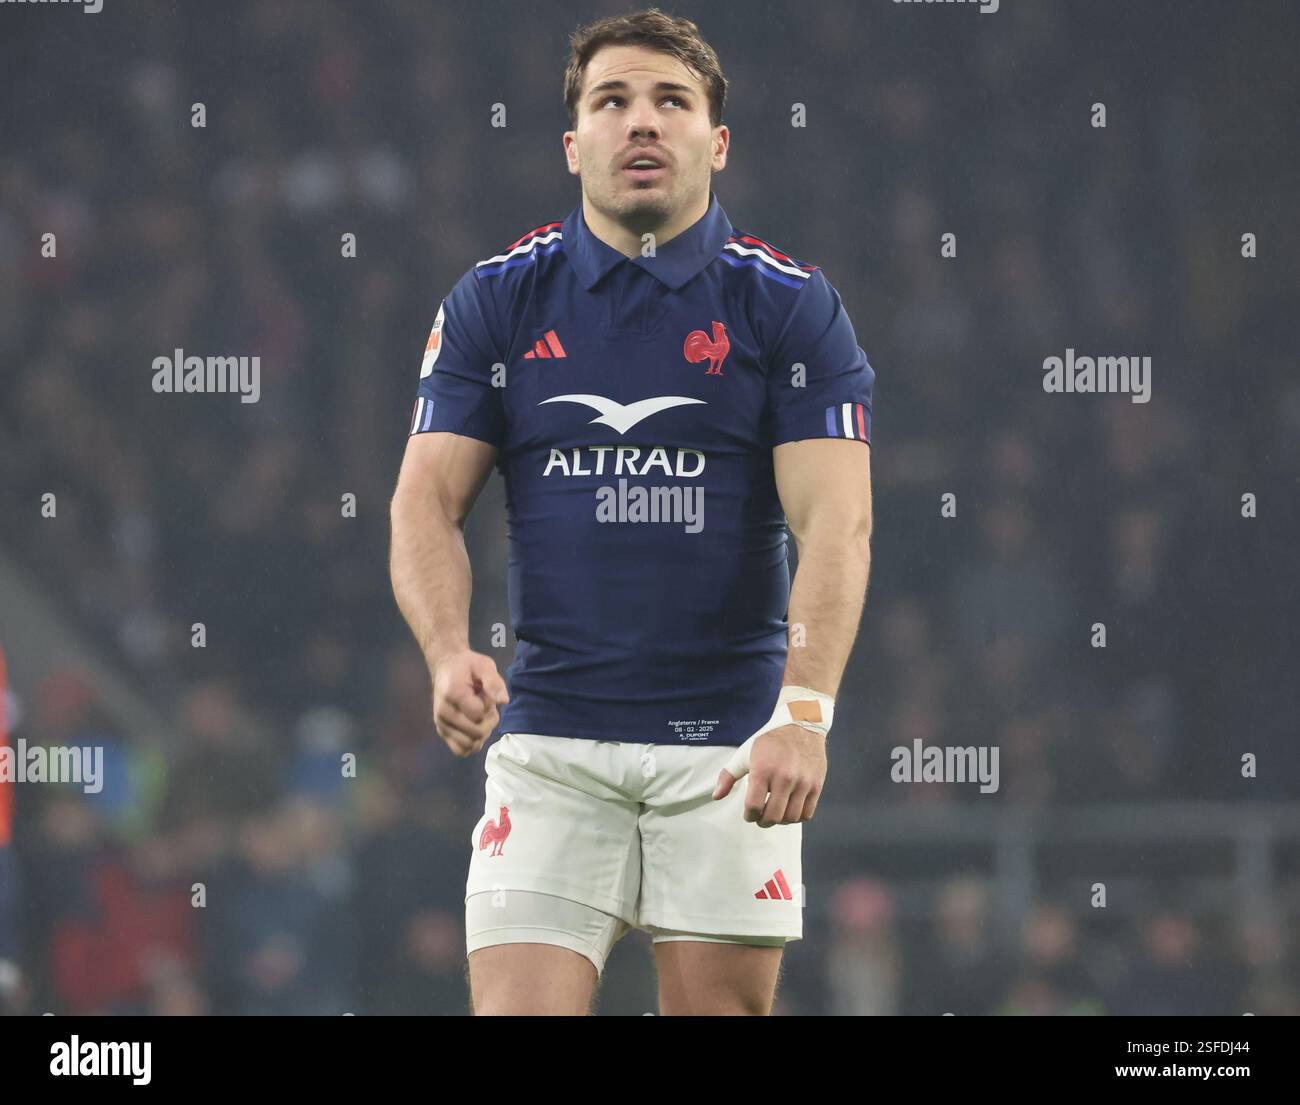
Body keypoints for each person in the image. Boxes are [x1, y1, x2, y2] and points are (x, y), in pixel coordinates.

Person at [390, 7, 874, 1016]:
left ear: (717, 140)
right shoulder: (498, 299)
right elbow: (424, 500)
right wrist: (444, 650)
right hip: (552, 744)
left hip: (730, 749)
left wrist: (804, 717)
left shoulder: (788, 307)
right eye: (611, 101)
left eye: (671, 101)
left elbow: (837, 526)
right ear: (573, 145)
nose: (641, 122)